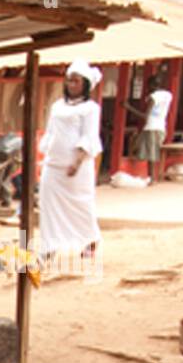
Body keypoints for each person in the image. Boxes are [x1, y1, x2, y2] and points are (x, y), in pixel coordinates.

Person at [38, 60, 103, 277]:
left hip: (77, 168)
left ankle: (90, 239)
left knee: (81, 205)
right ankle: (48, 246)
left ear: (85, 85)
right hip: (53, 166)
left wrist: (77, 162)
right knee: (48, 207)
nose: (72, 85)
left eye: (76, 81)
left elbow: (89, 137)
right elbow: (50, 132)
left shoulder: (91, 109)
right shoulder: (57, 106)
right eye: (69, 80)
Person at [126, 74, 171, 183]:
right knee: (143, 148)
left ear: (151, 85)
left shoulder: (153, 97)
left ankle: (152, 178)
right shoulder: (168, 95)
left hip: (152, 127)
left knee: (150, 153)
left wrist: (128, 107)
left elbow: (145, 116)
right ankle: (151, 176)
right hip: (161, 127)